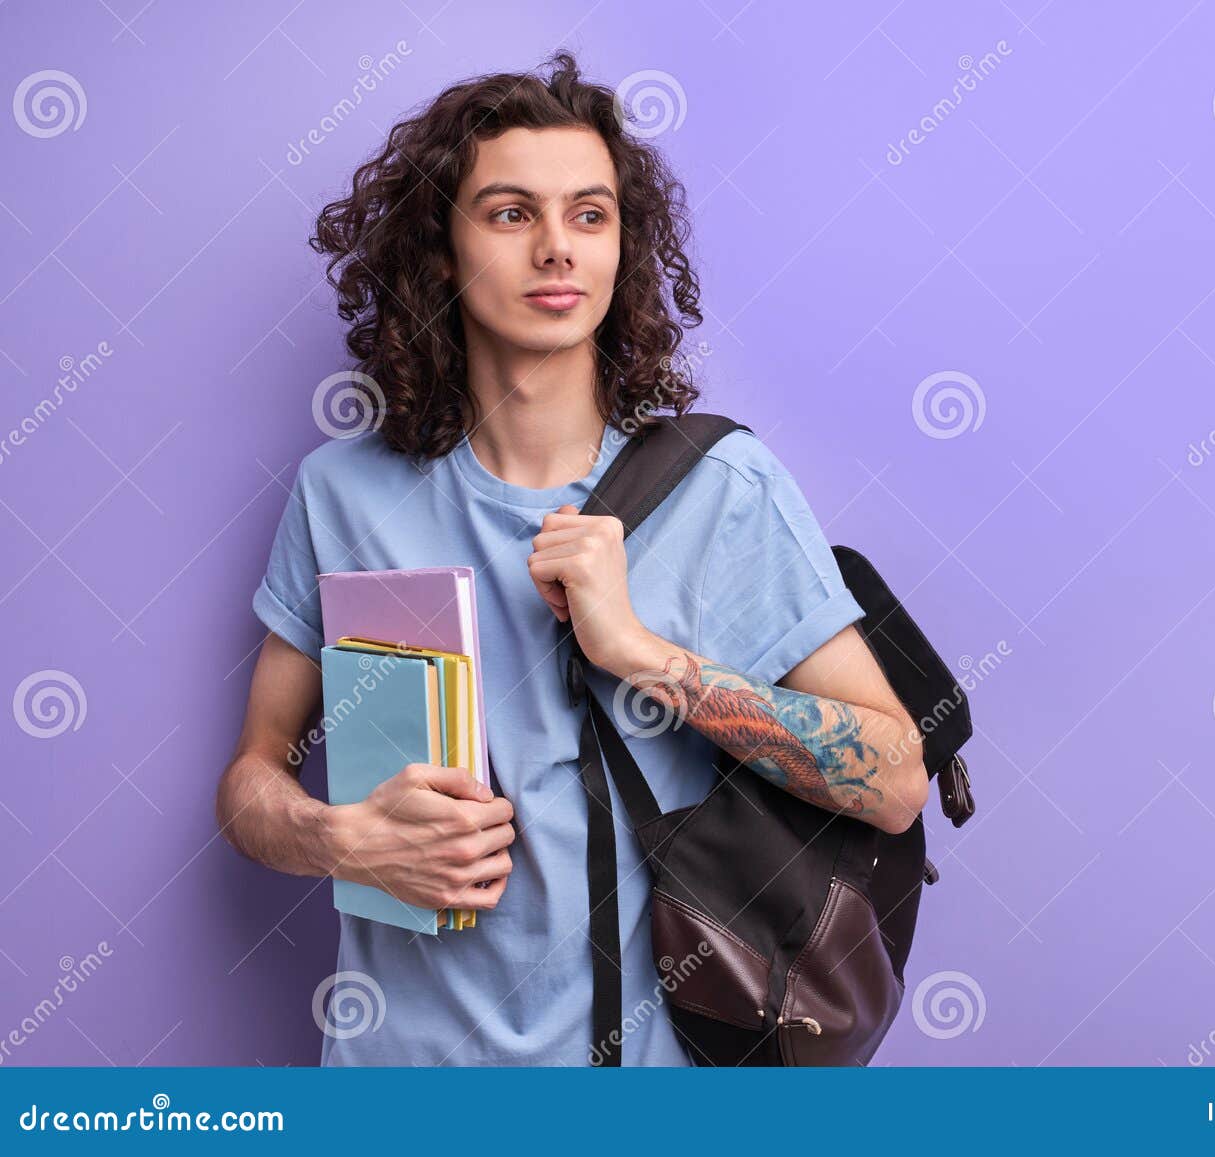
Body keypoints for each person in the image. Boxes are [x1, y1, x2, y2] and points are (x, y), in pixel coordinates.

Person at [214, 51, 927, 1066]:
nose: (557, 248)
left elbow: (895, 776)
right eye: (511, 214)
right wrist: (340, 838)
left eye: (590, 215)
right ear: (440, 246)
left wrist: (639, 651)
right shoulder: (344, 492)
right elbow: (251, 778)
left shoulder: (722, 487)